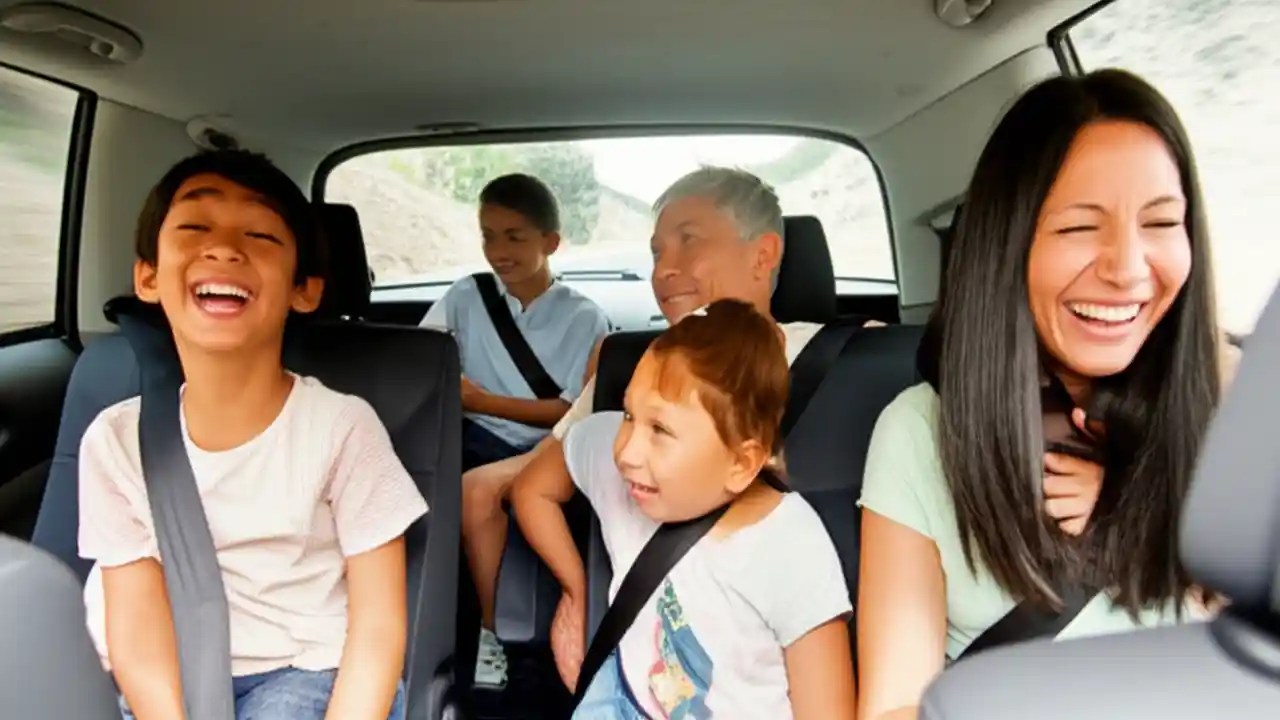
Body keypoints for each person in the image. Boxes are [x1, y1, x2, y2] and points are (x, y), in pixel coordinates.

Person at [856, 69, 1241, 720]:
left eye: (1161, 222)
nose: (1127, 267)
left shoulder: (1238, 409)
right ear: (1007, 248)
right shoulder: (919, 435)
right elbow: (895, 705)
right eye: (1079, 228)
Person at [77, 149, 428, 720]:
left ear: (304, 289)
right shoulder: (115, 440)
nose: (222, 248)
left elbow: (378, 626)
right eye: (194, 227)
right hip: (174, 671)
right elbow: (136, 625)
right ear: (147, 276)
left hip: (309, 671)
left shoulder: (341, 426)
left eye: (260, 235)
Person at [456, 166, 816, 690]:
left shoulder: (850, 362)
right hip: (650, 657)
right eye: (655, 253)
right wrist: (577, 594)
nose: (663, 270)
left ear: (763, 255)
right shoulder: (632, 367)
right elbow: (545, 475)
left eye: (688, 242)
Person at [513, 299, 857, 718]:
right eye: (628, 413)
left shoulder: (790, 547)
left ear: (741, 463)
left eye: (660, 429)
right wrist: (575, 589)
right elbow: (532, 489)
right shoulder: (615, 459)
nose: (627, 452)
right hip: (623, 698)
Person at [420, 173, 609, 473]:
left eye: (514, 237)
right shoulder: (467, 295)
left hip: (545, 448)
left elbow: (572, 411)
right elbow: (422, 356)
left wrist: (480, 401)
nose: (497, 252)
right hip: (467, 437)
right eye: (488, 237)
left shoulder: (583, 318)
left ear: (551, 243)